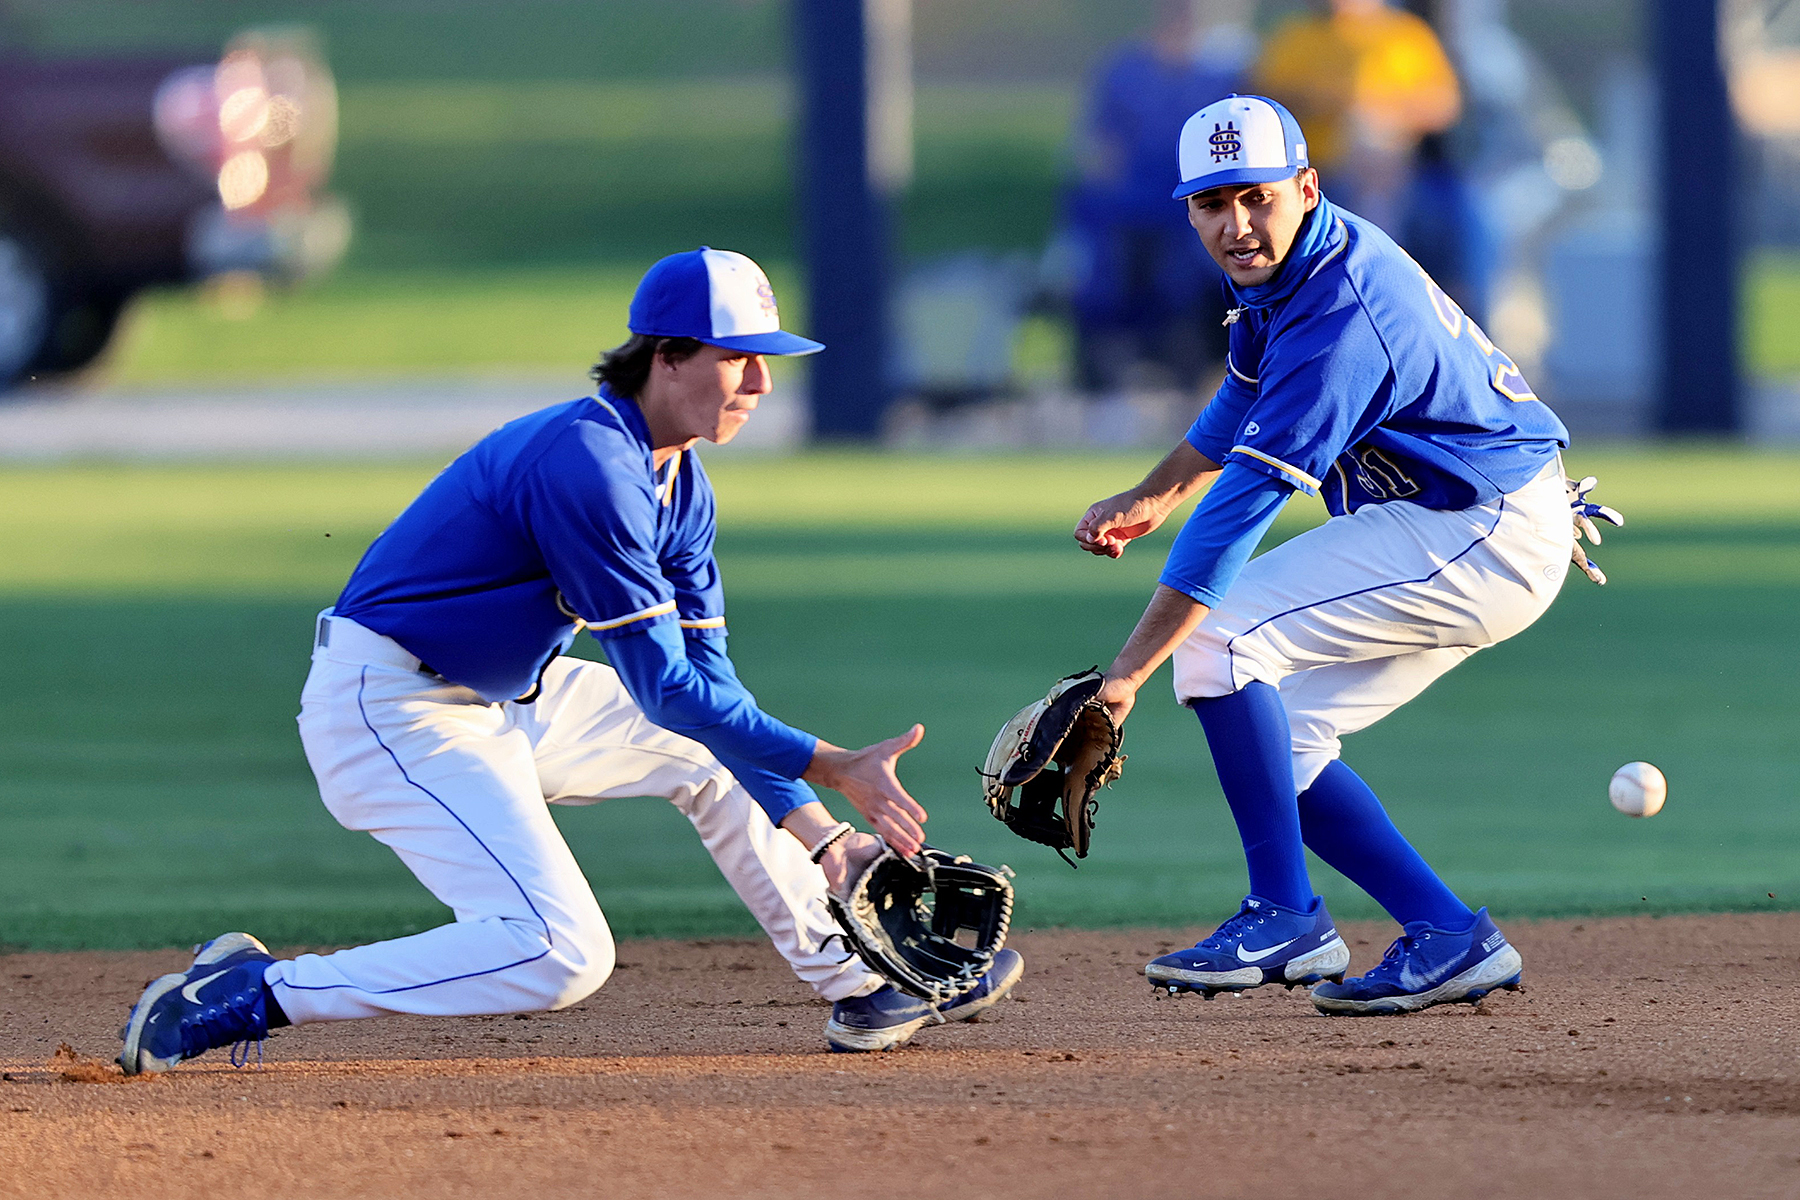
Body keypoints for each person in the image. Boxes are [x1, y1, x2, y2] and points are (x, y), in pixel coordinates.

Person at [118, 248, 1022, 1072]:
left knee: (713, 751)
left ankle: (862, 985)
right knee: (560, 953)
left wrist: (821, 834)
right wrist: (828, 766)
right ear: (666, 355)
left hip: (506, 700)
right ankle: (255, 993)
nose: (759, 384)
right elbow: (665, 689)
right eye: (735, 358)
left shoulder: (681, 484)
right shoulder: (587, 463)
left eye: (766, 361)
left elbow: (707, 694)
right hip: (389, 710)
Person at [1073, 95, 1613, 1015]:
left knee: (1221, 641)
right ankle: (1448, 935)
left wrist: (1124, 676)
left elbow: (1241, 510)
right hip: (1467, 522)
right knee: (1286, 733)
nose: (1238, 225)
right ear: (1189, 208)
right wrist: (1155, 494)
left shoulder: (1339, 313)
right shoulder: (1293, 266)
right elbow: (1242, 397)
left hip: (1477, 525)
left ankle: (1283, 913)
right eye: (1212, 203)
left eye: (1257, 197)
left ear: (1306, 186)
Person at [1058, 0, 1252, 395]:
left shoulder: (1219, 77)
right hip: (1128, 212)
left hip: (1190, 213)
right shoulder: (1125, 72)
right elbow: (1100, 149)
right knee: (1103, 282)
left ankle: (1191, 383)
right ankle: (1107, 383)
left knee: (1192, 285)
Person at [1253, 0, 1460, 236]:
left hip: (1392, 168)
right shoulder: (1295, 35)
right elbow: (1261, 104)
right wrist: (1324, 101)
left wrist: (1378, 107)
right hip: (1312, 169)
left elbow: (1445, 107)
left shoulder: (1406, 35)